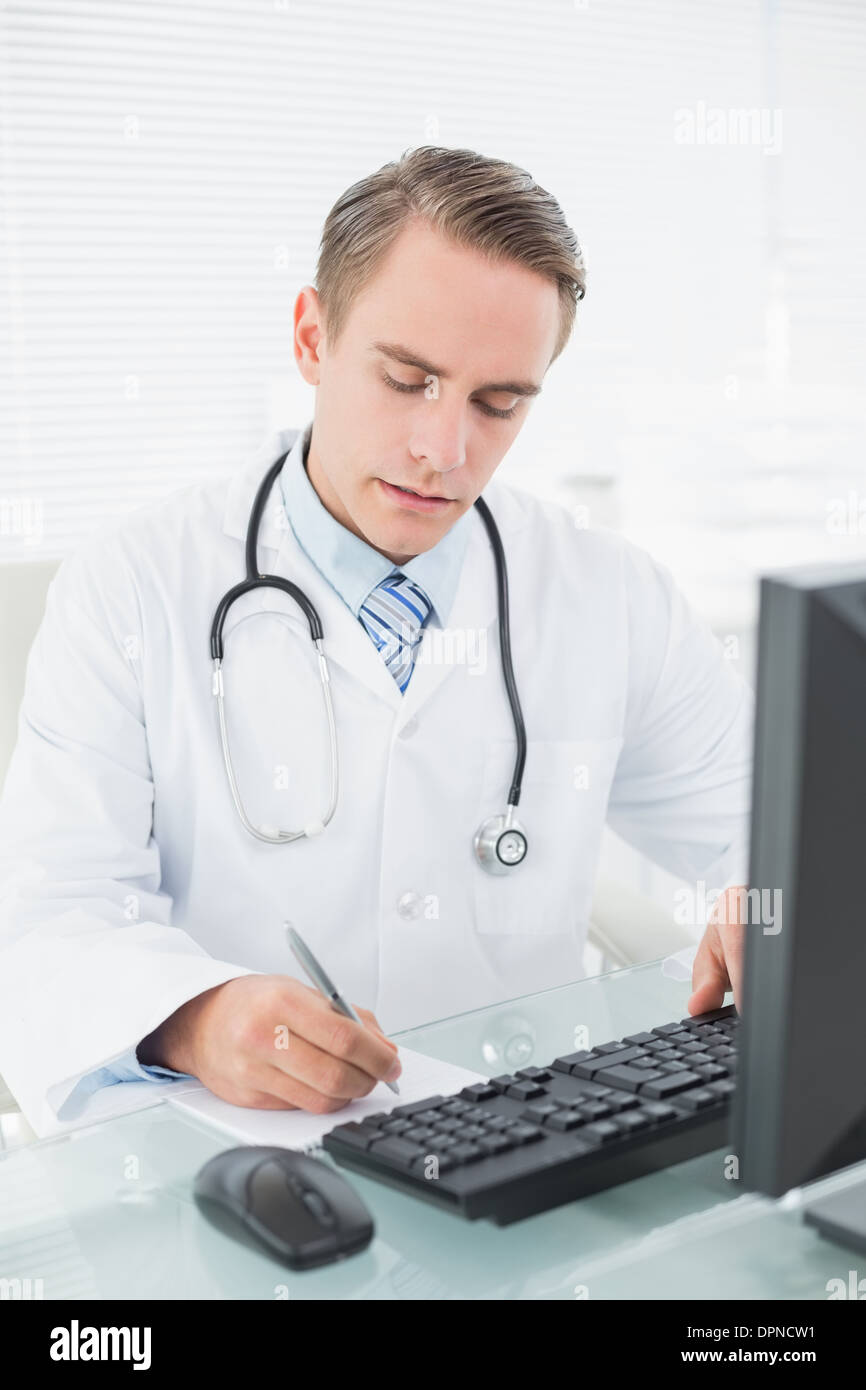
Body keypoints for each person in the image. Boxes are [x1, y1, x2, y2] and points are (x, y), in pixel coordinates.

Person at [0, 147, 753, 1138]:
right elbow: (49, 923)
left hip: (517, 1154)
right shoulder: (131, 588)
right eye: (408, 379)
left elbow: (776, 820)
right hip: (227, 1171)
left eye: (499, 403)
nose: (444, 451)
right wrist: (192, 1019)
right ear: (312, 337)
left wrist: (775, 902)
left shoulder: (606, 596)